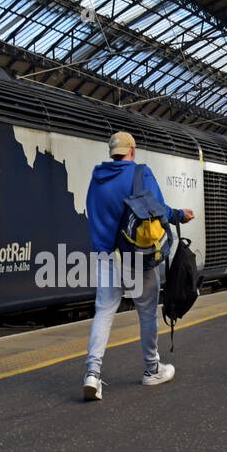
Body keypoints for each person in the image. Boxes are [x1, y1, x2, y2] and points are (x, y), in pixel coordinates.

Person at [82, 131, 194, 401]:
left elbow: (91, 212)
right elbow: (156, 210)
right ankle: (151, 370)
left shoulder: (97, 178)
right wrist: (180, 215)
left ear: (113, 153)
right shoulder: (140, 173)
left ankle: (92, 375)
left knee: (104, 313)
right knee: (146, 313)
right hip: (135, 255)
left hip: (107, 256)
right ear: (132, 150)